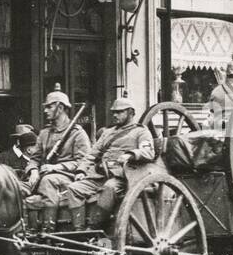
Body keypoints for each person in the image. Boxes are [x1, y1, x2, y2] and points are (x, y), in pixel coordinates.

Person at [62, 96, 157, 229]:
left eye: (119, 112)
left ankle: (94, 227)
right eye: (114, 112)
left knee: (109, 188)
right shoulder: (107, 132)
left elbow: (148, 152)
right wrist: (81, 170)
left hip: (123, 177)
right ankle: (79, 230)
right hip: (100, 175)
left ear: (130, 113)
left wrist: (130, 154)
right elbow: (92, 154)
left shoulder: (141, 131)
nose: (115, 115)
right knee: (74, 188)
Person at [27, 87, 94, 232]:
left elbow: (83, 162)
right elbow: (34, 158)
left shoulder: (77, 133)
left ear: (61, 108)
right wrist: (33, 171)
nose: (45, 111)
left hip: (69, 178)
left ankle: (48, 228)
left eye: (49, 107)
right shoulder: (44, 133)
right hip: (43, 175)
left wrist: (56, 168)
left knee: (48, 181)